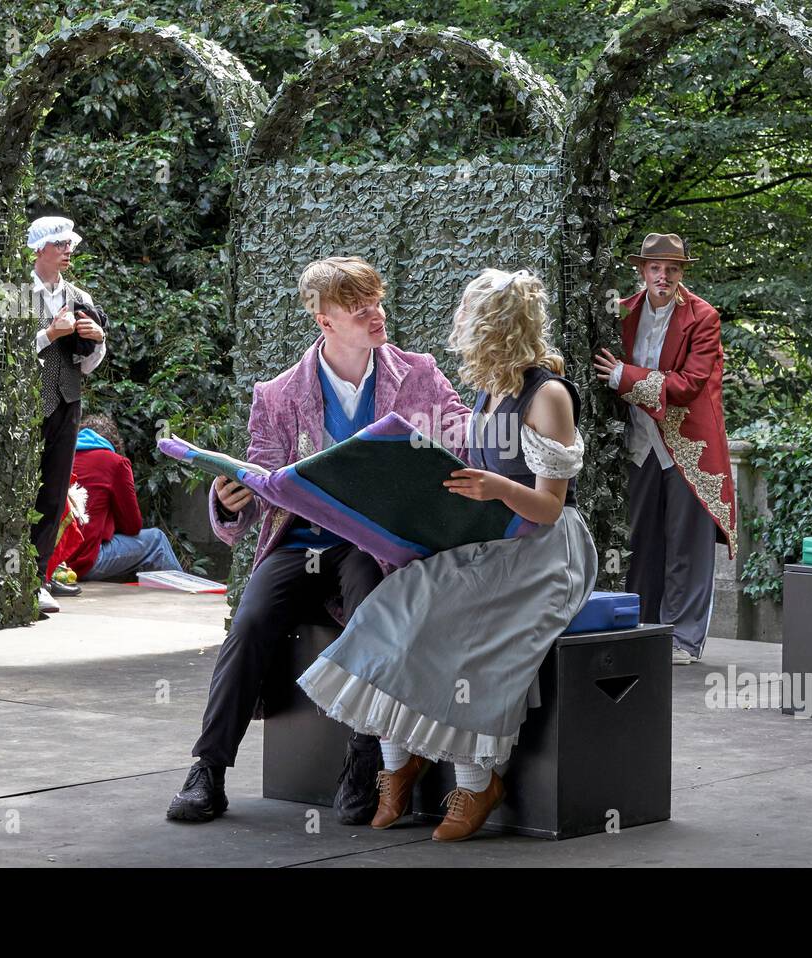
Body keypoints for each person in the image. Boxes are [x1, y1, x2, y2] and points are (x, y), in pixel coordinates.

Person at [166, 256, 473, 826]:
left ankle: (363, 761)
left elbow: (463, 441)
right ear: (325, 320)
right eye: (361, 311)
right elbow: (261, 478)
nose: (377, 316)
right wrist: (232, 497)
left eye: (378, 303)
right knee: (252, 618)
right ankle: (208, 770)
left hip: (372, 545)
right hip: (297, 544)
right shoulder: (278, 394)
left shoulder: (421, 373)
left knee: (370, 610)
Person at [297, 267, 597, 843]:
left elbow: (551, 507)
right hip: (490, 539)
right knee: (394, 604)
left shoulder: (548, 394)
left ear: (495, 326)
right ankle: (396, 764)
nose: (458, 323)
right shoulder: (489, 389)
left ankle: (478, 779)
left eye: (467, 314)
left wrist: (496, 489)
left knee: (462, 628)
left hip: (545, 553)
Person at [592, 232, 736, 665]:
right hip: (638, 443)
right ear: (642, 271)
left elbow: (691, 385)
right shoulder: (620, 314)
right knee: (639, 543)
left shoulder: (703, 317)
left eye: (672, 268)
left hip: (688, 447)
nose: (664, 275)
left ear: (681, 273)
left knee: (686, 545)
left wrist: (624, 376)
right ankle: (643, 628)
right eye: (655, 267)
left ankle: (684, 639)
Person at [27, 215, 107, 614]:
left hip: (67, 402)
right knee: (21, 490)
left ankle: (38, 578)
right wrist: (50, 335)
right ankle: (15, 576)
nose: (67, 251)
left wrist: (95, 342)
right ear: (39, 248)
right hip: (26, 407)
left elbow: (88, 364)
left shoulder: (79, 296)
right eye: (59, 245)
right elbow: (3, 355)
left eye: (68, 244)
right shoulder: (16, 293)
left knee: (55, 492)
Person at [60, 414, 184, 581]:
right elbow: (132, 526)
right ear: (114, 443)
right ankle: (185, 595)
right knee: (156, 540)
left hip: (57, 564)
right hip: (85, 562)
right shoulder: (115, 462)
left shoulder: (61, 459)